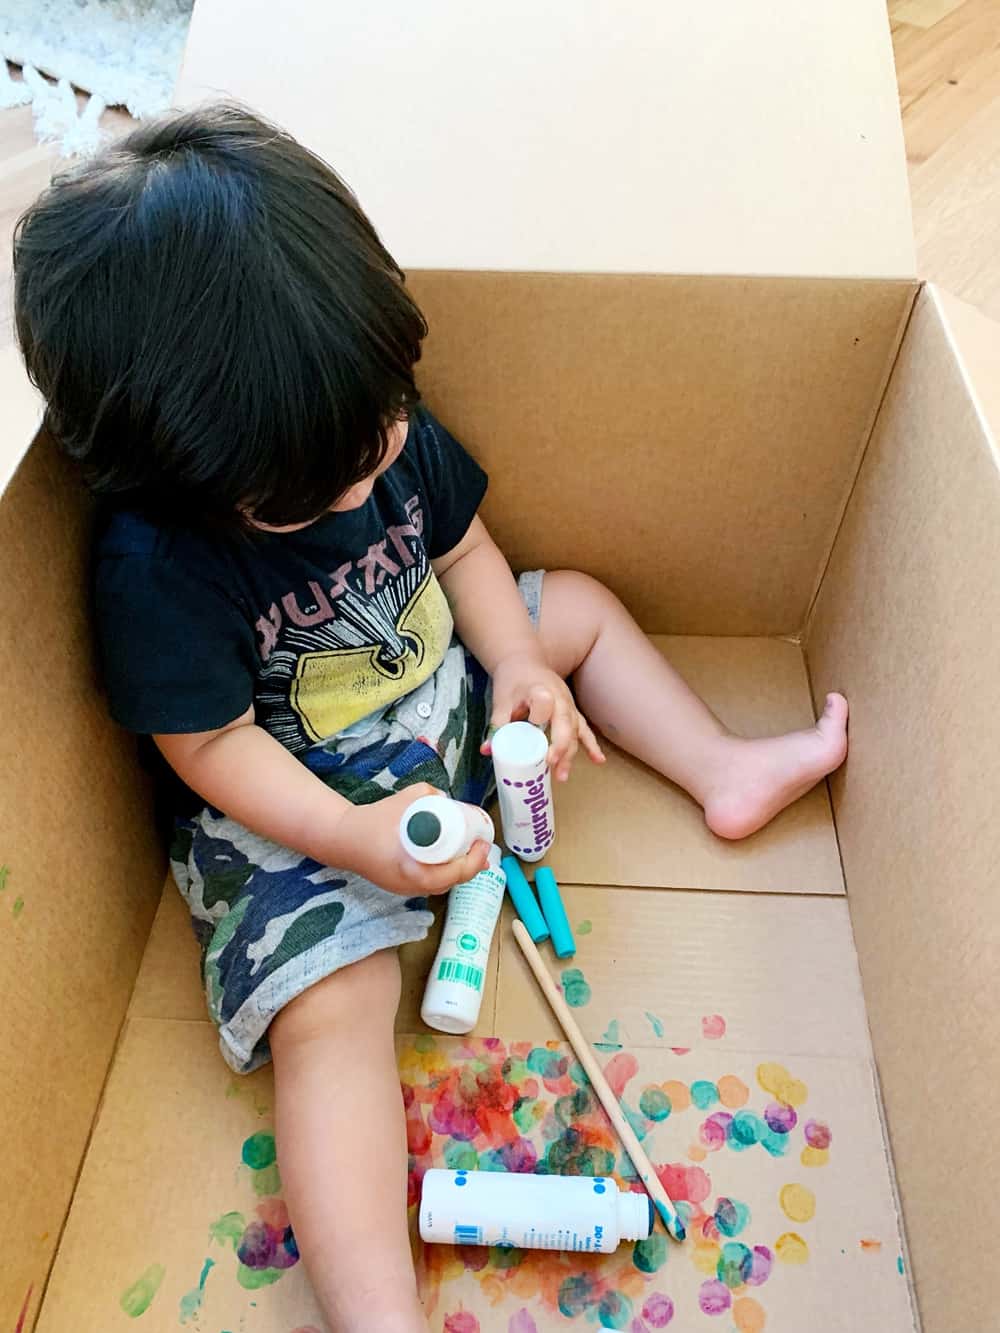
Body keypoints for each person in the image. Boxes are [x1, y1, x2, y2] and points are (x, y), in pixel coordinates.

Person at [13, 104, 848, 1333]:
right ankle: (373, 1310)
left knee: (575, 606)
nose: (366, 481)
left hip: (438, 691)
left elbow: (459, 548)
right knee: (330, 1012)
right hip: (288, 803)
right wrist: (354, 840)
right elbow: (206, 748)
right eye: (313, 495)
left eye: (378, 442)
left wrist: (517, 664)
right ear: (172, 475)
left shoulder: (363, 412)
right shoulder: (159, 563)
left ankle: (719, 765)